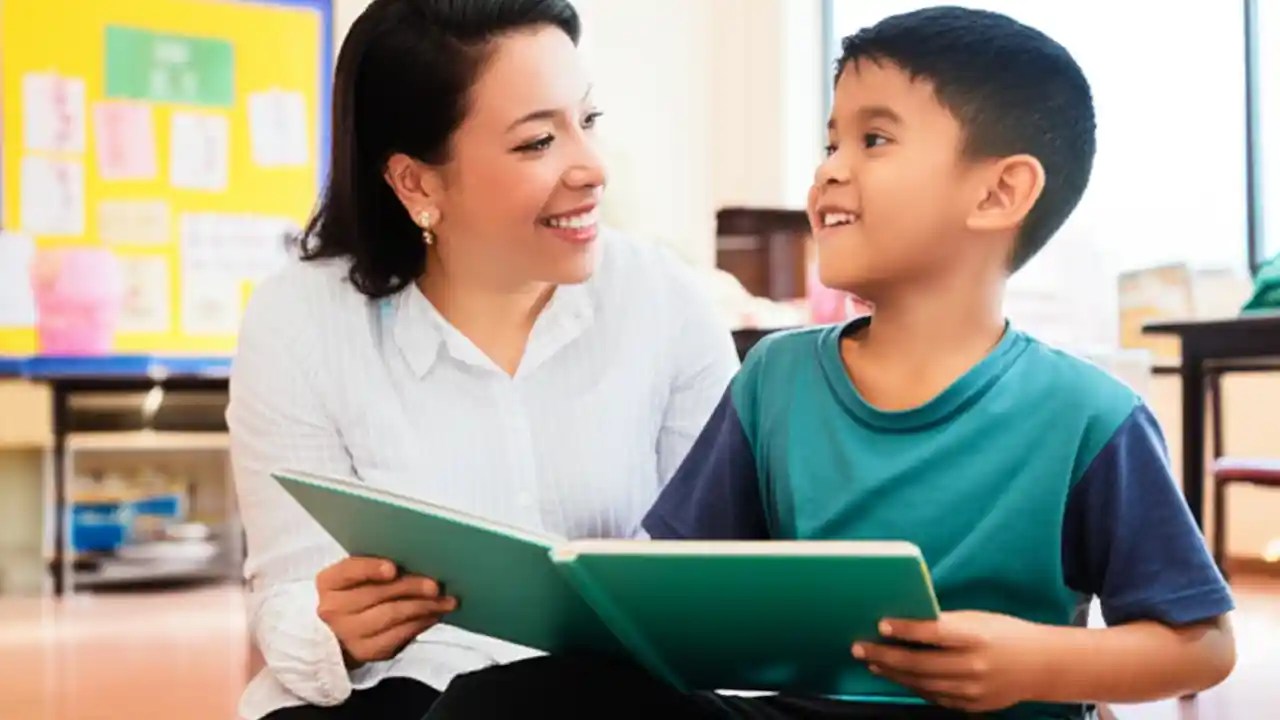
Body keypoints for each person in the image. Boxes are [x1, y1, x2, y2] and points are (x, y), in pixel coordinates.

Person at [422, 7, 1237, 720]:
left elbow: (1200, 646)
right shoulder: (776, 379)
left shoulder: (1088, 416)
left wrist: (1034, 664)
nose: (830, 170)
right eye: (830, 141)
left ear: (998, 193)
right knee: (501, 701)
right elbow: (674, 588)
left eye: (874, 139)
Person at [226, 0, 738, 718]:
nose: (590, 168)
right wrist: (335, 631)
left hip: (605, 694)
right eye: (537, 143)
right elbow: (286, 592)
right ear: (417, 183)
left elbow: (726, 574)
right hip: (384, 698)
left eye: (586, 122)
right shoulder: (301, 320)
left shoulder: (666, 302)